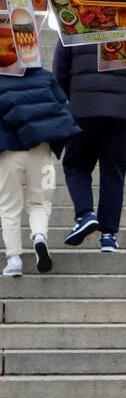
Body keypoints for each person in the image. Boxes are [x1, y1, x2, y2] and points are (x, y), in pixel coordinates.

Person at [54, 43, 126, 251]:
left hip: (83, 110)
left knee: (75, 166)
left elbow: (59, 75)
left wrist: (77, 94)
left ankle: (85, 214)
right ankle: (108, 236)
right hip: (120, 114)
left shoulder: (71, 27)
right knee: (113, 173)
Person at [0, 64, 81, 277]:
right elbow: (60, 102)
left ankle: (14, 259)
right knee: (40, 202)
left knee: (9, 206)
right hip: (41, 148)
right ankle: (39, 238)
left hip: (8, 152)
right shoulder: (45, 76)